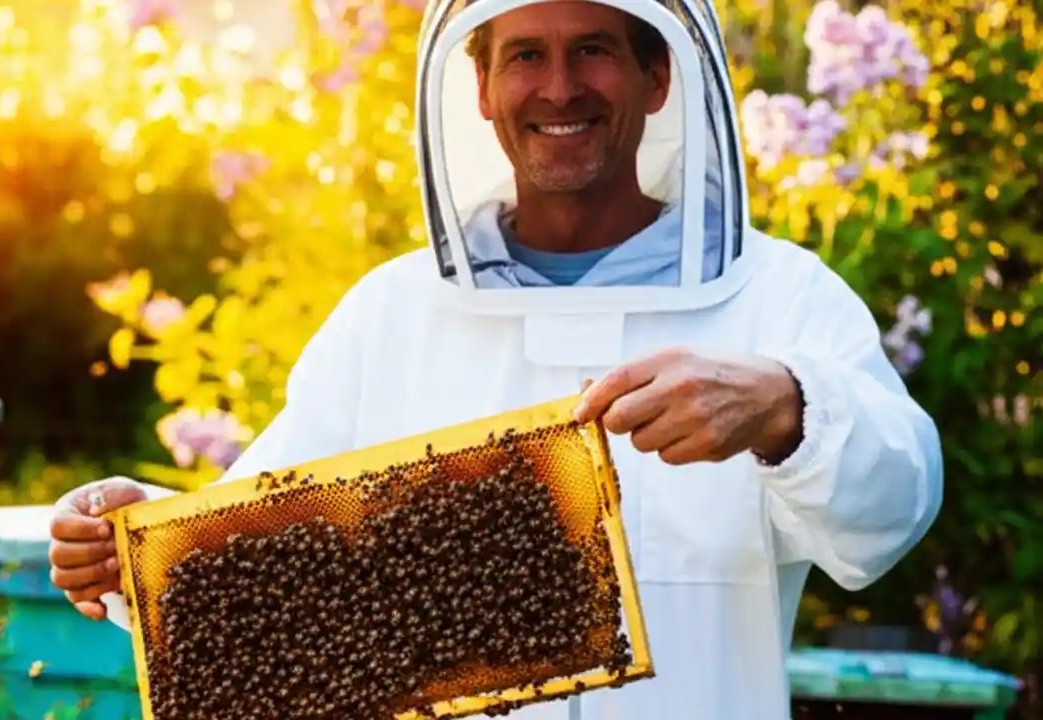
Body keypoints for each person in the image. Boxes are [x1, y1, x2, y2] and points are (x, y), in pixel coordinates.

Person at [48, 1, 943, 718]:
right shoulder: (391, 315)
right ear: (477, 86)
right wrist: (139, 546)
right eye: (524, 55)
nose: (558, 89)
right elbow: (270, 574)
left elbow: (892, 513)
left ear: (660, 74)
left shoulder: (777, 297)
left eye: (593, 49)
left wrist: (787, 407)